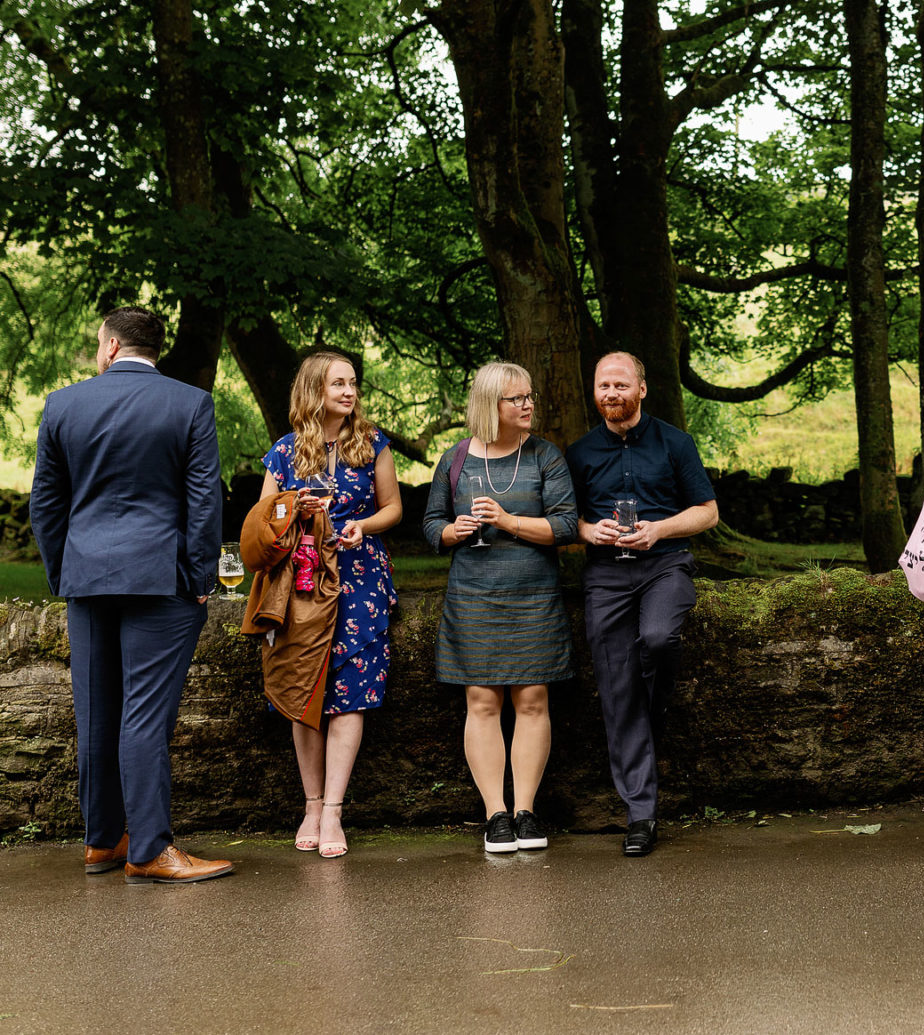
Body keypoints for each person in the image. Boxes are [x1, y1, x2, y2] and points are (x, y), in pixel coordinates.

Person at [30, 306, 233, 883]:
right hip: (158, 581)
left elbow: (45, 504)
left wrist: (64, 574)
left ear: (112, 346)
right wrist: (199, 581)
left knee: (96, 713)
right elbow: (204, 504)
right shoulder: (188, 403)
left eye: (99, 344)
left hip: (88, 579)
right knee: (143, 716)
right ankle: (147, 850)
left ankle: (102, 842)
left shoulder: (64, 404)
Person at [565, 352, 718, 856]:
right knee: (616, 686)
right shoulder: (581, 452)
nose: (611, 394)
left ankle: (650, 719)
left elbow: (708, 512)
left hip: (665, 566)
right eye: (603, 385)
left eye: (620, 385)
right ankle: (641, 815)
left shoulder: (675, 442)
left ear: (642, 389)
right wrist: (592, 530)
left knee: (657, 638)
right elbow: (568, 523)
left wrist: (660, 529)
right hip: (606, 574)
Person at [423, 363, 580, 854]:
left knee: (533, 700)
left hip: (533, 595)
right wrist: (455, 532)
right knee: (482, 702)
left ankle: (527, 812)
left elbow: (567, 526)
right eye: (517, 399)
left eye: (529, 396)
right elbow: (430, 524)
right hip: (474, 594)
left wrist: (509, 521)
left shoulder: (544, 456)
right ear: (491, 405)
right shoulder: (455, 458)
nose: (528, 404)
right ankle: (495, 815)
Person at [258, 351, 401, 859]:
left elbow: (394, 509)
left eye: (353, 383)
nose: (348, 391)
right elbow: (265, 520)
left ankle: (335, 810)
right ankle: (311, 804)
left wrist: (363, 526)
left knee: (352, 692)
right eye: (337, 383)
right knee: (304, 690)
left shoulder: (372, 444)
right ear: (313, 390)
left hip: (360, 580)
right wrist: (296, 510)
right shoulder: (284, 452)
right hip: (303, 581)